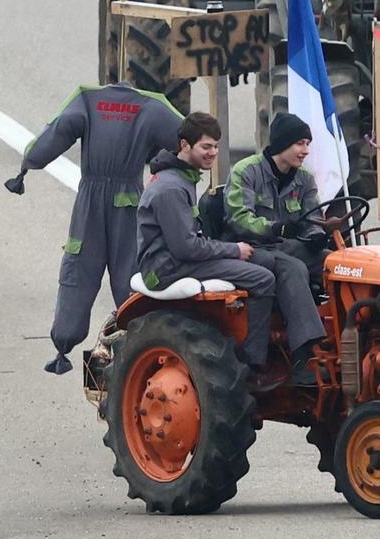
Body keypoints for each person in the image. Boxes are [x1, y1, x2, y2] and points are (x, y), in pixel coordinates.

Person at [5, 83, 183, 374]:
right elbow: (190, 137)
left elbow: (58, 130)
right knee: (133, 272)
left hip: (89, 202)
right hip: (129, 203)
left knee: (80, 266)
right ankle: (146, 341)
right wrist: (173, 171)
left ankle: (64, 342)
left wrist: (29, 162)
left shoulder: (87, 99)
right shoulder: (151, 105)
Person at [136, 113, 323, 389]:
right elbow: (185, 246)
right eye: (206, 147)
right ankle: (254, 365)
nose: (213, 153)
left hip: (181, 256)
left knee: (317, 262)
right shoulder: (170, 188)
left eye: (216, 146)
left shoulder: (181, 179)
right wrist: (233, 250)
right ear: (185, 146)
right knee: (264, 276)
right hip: (168, 265)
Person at [224, 113, 342, 284]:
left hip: (287, 246)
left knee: (337, 264)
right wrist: (276, 229)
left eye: (308, 144)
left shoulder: (305, 177)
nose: (306, 151)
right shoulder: (246, 171)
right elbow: (239, 220)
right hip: (253, 247)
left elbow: (312, 219)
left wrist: (316, 236)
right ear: (282, 144)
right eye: (300, 144)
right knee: (295, 268)